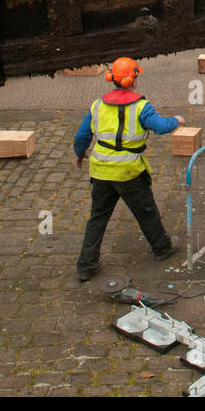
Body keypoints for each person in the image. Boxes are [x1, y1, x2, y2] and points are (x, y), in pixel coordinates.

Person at [74, 56, 183, 280]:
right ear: (133, 79)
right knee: (146, 211)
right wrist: (176, 120)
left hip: (101, 172)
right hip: (129, 173)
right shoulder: (142, 107)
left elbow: (82, 135)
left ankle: (86, 265)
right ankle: (162, 248)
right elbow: (161, 127)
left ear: (111, 79)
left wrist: (80, 154)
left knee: (97, 217)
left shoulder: (98, 105)